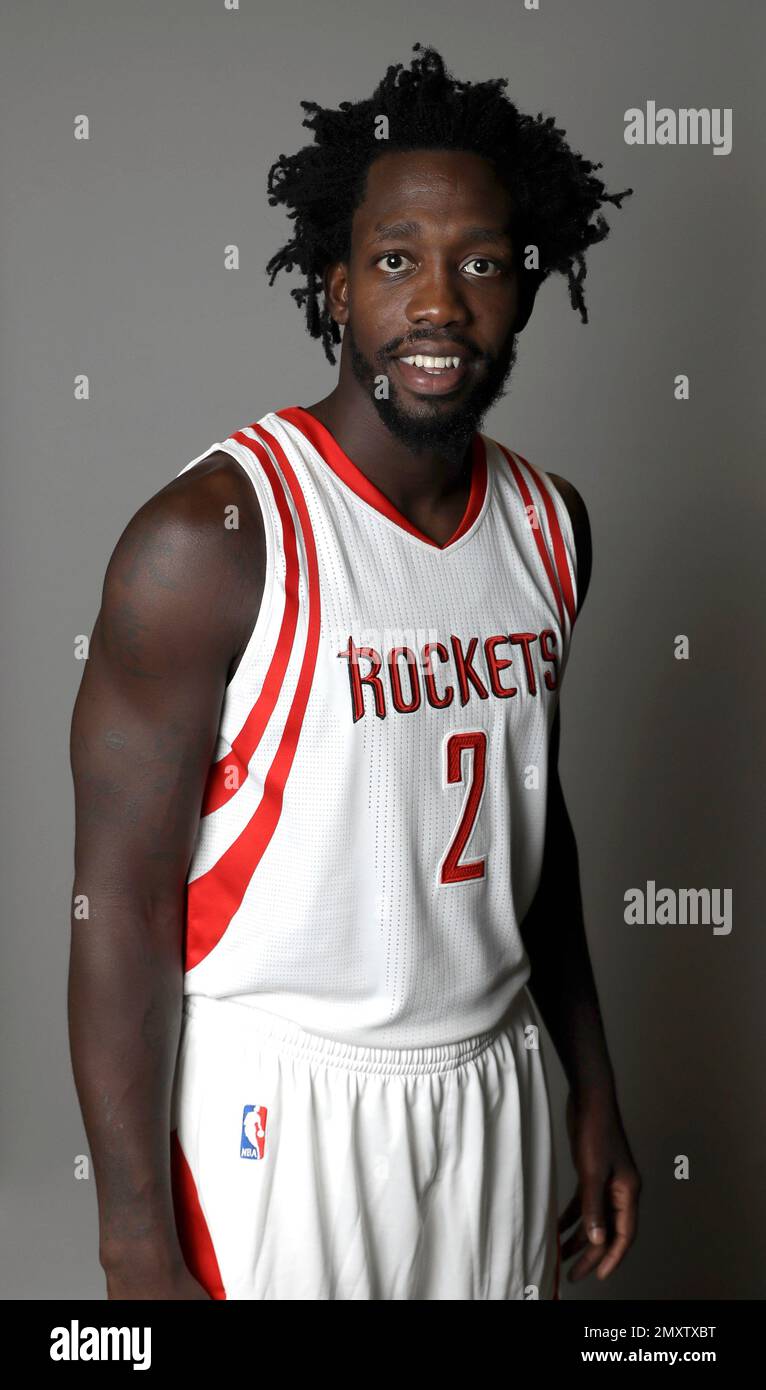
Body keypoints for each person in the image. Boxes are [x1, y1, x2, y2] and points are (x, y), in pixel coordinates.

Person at [68, 43, 641, 1301]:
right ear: (334, 286)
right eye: (395, 262)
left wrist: (592, 1088)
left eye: (480, 263)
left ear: (526, 287)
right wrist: (130, 1246)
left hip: (493, 1089)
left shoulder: (552, 527)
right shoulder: (212, 538)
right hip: (282, 1103)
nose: (438, 303)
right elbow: (117, 905)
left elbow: (527, 824)